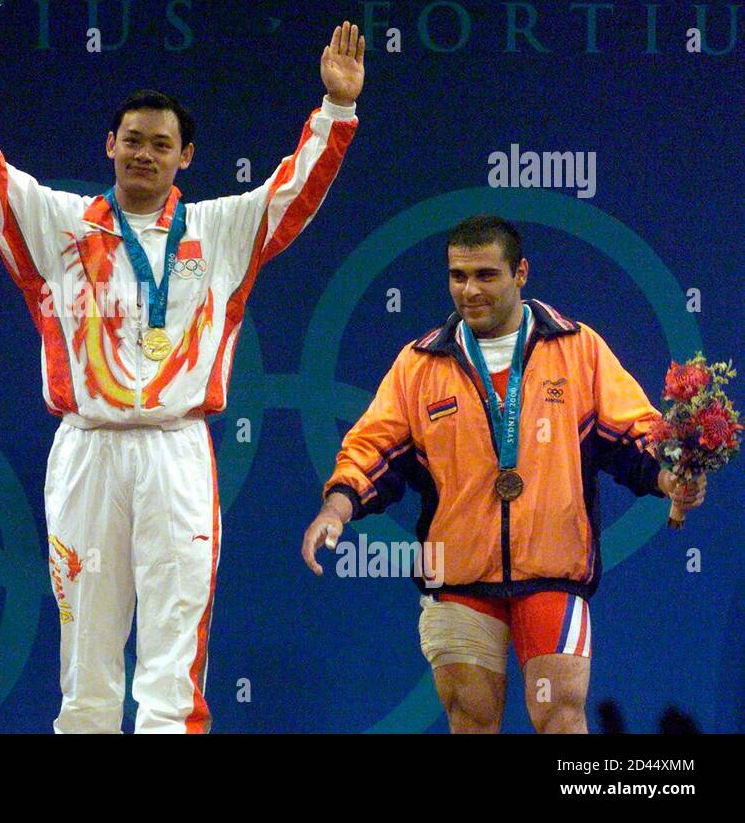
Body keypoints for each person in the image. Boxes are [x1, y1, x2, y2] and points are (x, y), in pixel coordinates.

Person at [0, 15, 365, 732]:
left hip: (176, 451)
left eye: (162, 144)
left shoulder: (218, 231)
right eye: (132, 140)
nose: (145, 154)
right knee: (87, 657)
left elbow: (293, 193)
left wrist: (337, 109)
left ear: (185, 156)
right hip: (88, 448)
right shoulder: (61, 224)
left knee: (173, 654)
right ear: (109, 145)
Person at [302, 214, 706, 733]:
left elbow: (634, 436)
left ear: (521, 273)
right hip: (459, 576)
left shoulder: (577, 348)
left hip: (552, 571)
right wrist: (337, 506)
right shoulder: (419, 364)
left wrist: (672, 477)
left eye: (486, 275)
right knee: (471, 721)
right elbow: (373, 448)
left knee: (559, 716)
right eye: (457, 276)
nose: (468, 290)